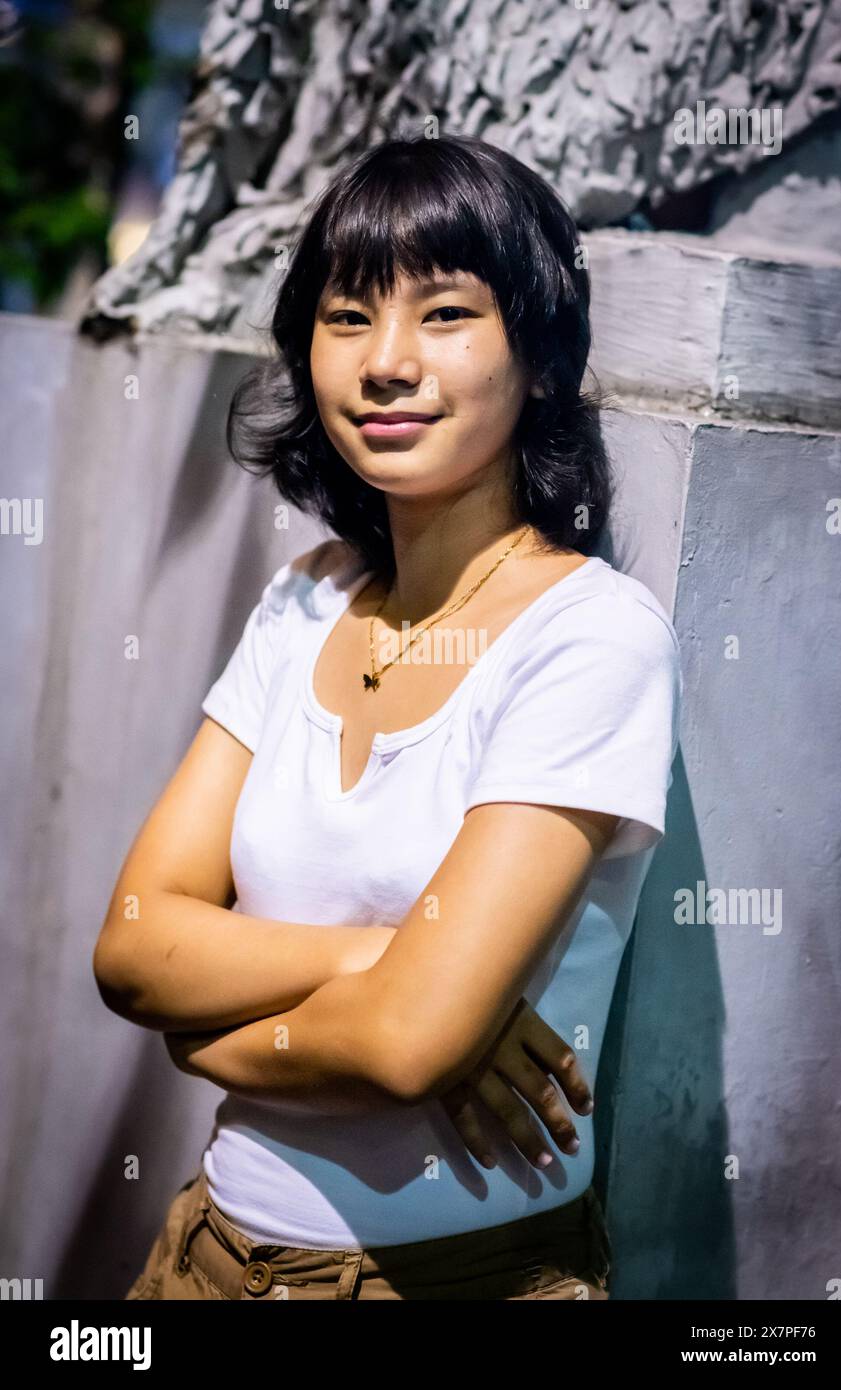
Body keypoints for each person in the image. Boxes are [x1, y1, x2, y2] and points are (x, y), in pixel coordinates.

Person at [93, 133, 682, 1301]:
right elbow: (129, 944)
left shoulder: (590, 638)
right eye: (348, 315)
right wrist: (378, 955)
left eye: (447, 314)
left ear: (538, 356)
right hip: (203, 1252)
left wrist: (197, 1032)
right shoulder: (305, 596)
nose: (387, 363)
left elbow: (413, 1041)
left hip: (448, 1279)